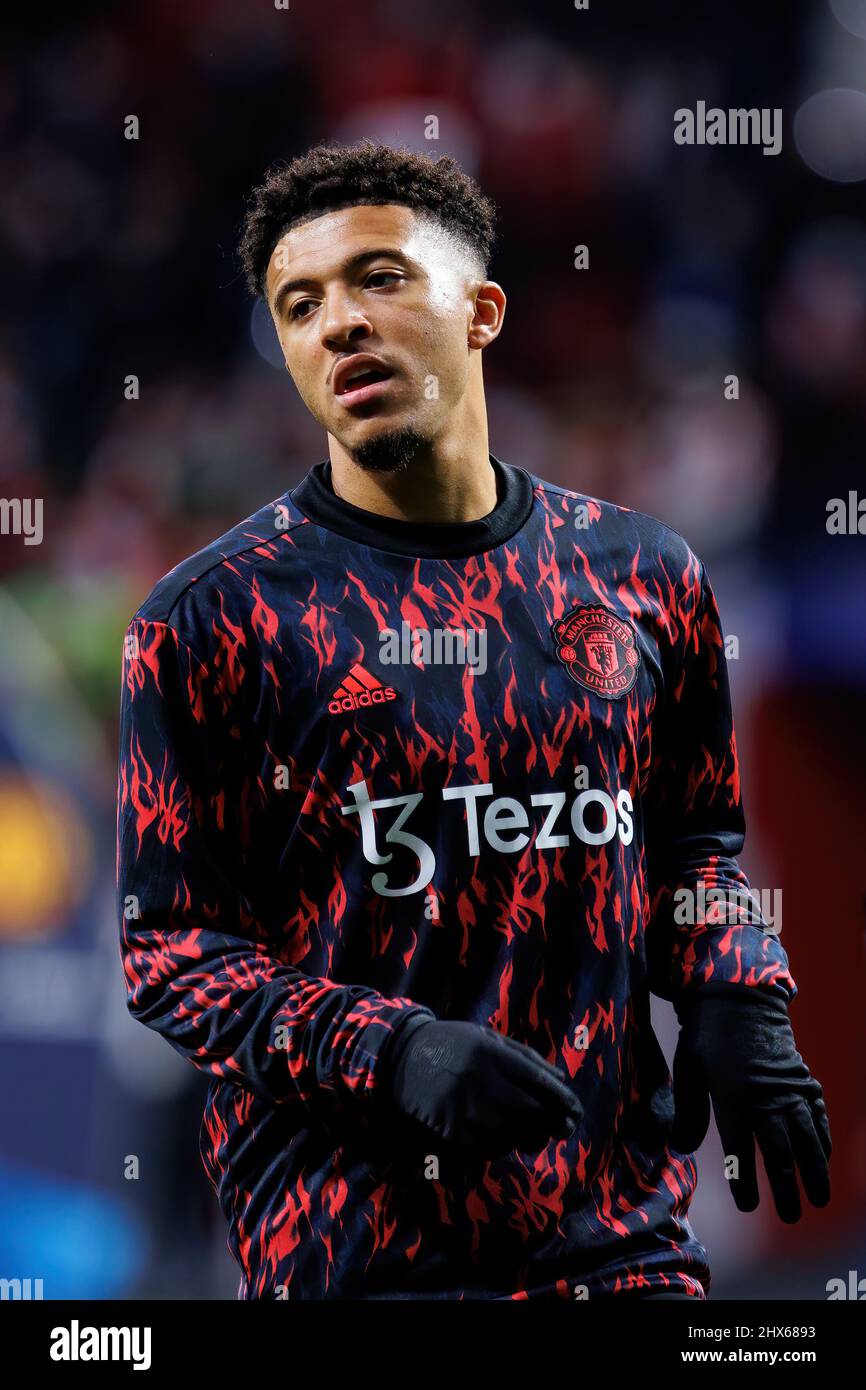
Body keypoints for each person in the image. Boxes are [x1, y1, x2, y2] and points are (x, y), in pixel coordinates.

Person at [116, 140, 831, 1301]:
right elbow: (170, 954)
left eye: (379, 278)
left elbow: (693, 846)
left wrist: (738, 997)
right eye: (300, 305)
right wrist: (388, 1050)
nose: (339, 322)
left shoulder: (644, 576)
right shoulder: (210, 620)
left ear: (481, 309)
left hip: (621, 1244)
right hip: (351, 1255)